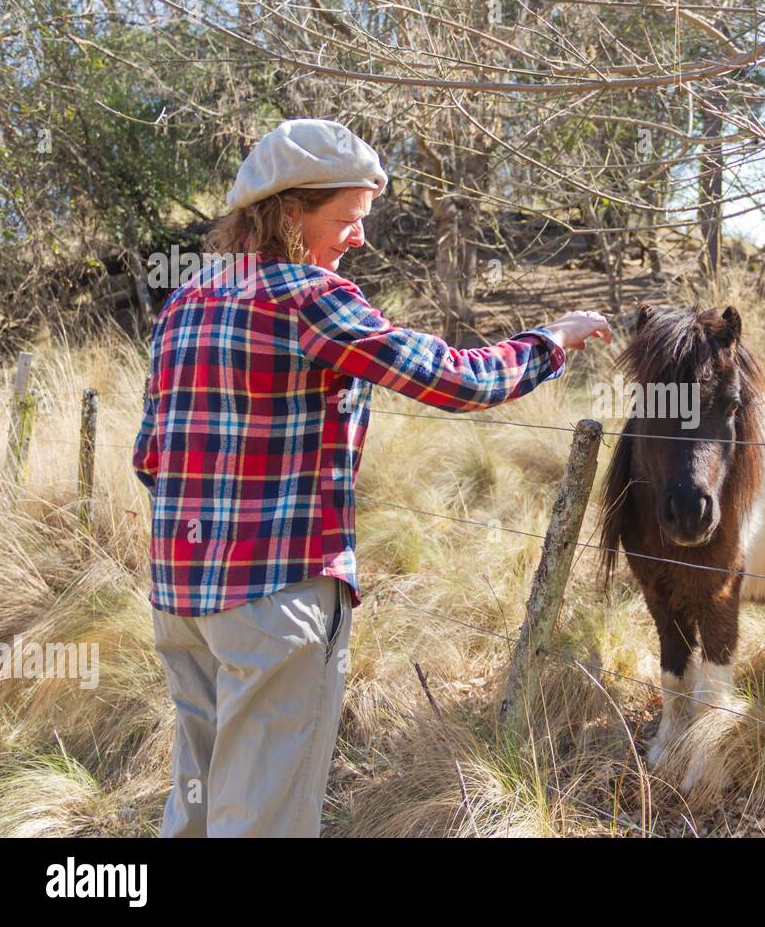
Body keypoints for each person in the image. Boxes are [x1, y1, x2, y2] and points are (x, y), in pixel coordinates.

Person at [133, 118, 611, 837]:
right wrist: (552, 341)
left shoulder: (185, 303)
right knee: (263, 818)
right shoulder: (309, 298)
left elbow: (150, 456)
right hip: (277, 597)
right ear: (288, 213)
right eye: (346, 220)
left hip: (182, 598)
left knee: (197, 806)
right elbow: (455, 380)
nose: (358, 238)